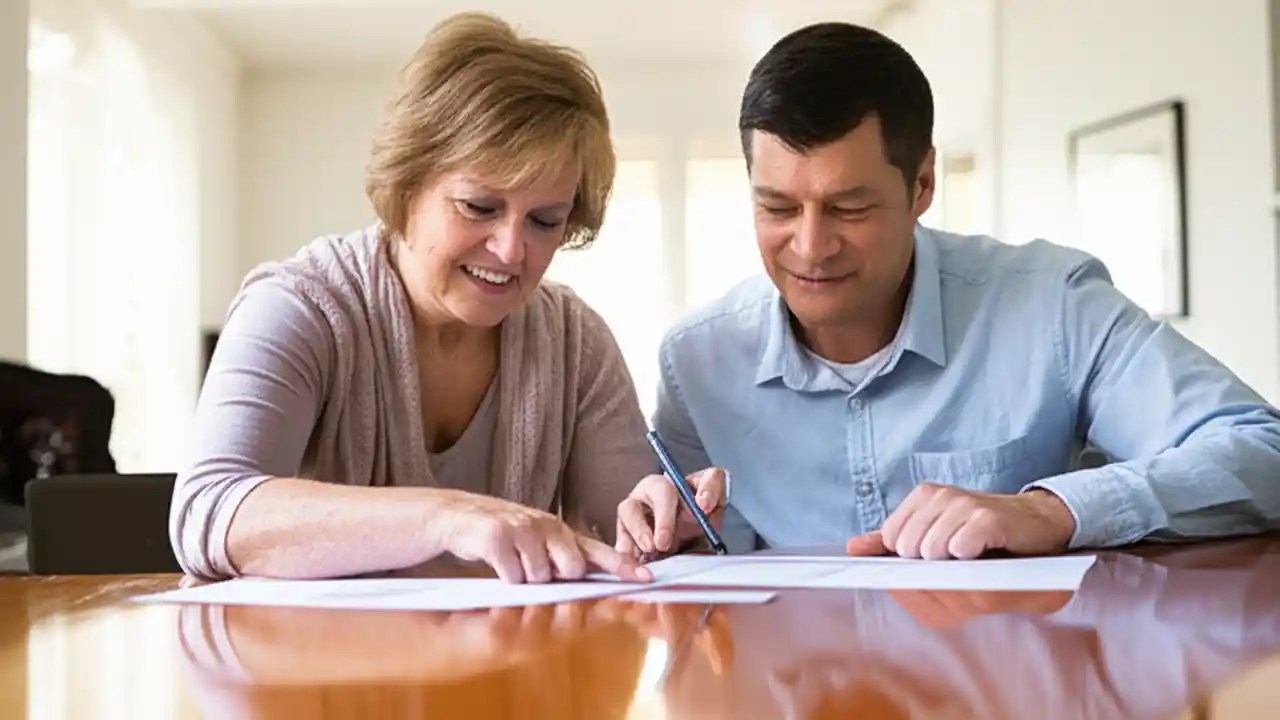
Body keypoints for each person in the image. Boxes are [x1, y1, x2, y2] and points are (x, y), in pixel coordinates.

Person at [616, 21, 1280, 560]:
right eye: (779, 208)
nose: (811, 247)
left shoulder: (1052, 305)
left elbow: (1261, 452)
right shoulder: (696, 362)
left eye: (849, 208)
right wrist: (671, 538)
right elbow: (712, 570)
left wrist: (1049, 510)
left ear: (923, 185)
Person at [168, 13, 725, 583]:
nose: (512, 250)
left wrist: (663, 527)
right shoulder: (299, 308)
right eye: (478, 207)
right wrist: (450, 517)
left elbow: (627, 540)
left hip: (511, 670)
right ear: (406, 187)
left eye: (545, 220)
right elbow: (209, 513)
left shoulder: (575, 343)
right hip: (322, 670)